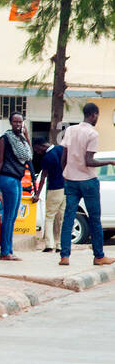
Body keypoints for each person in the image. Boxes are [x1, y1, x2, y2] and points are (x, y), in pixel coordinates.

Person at [60, 102, 114, 267]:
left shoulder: (70, 130)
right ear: (94, 115)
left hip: (71, 180)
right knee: (94, 219)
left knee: (68, 216)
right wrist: (109, 162)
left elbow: (64, 155)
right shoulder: (93, 134)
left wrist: (65, 174)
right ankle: (98, 256)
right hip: (88, 181)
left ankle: (64, 256)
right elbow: (89, 161)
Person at [0, 112, 31, 260]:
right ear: (10, 122)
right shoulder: (5, 139)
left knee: (13, 216)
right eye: (15, 122)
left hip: (17, 179)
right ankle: (5, 252)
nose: (18, 124)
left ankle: (9, 249)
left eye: (20, 122)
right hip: (7, 179)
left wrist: (26, 135)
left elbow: (29, 155)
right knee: (8, 216)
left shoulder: (21, 140)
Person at [33, 132, 67, 252]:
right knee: (61, 218)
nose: (37, 152)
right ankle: (60, 245)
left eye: (37, 149)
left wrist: (37, 193)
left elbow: (43, 177)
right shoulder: (61, 149)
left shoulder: (47, 157)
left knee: (49, 217)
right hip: (66, 188)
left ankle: (49, 244)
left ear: (41, 146)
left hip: (54, 188)